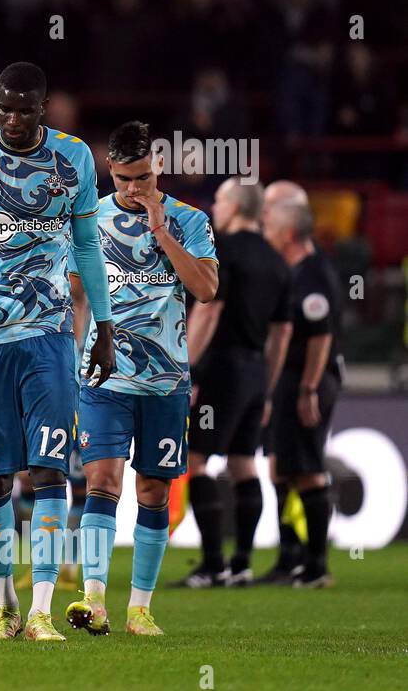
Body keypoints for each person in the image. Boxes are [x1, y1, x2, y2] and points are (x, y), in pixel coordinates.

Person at [0, 62, 115, 642]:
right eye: (3, 109)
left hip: (50, 336)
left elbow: (88, 243)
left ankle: (40, 609)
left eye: (24, 110)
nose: (12, 120)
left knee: (48, 469)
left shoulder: (74, 158)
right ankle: (4, 602)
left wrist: (104, 325)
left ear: (44, 108)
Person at [63, 121, 219, 637]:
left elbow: (205, 289)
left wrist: (159, 230)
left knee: (153, 490)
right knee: (100, 481)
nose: (134, 189)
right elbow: (75, 296)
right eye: (126, 179)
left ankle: (140, 609)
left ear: (159, 170)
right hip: (105, 380)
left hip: (166, 382)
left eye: (144, 179)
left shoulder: (189, 220)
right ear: (110, 170)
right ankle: (94, 601)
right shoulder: (89, 221)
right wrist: (74, 361)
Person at [181, 178, 292, 587]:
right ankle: (242, 562)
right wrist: (266, 386)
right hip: (256, 371)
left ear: (237, 207)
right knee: (244, 462)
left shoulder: (222, 250)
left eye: (221, 200)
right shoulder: (277, 260)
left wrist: (186, 367)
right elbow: (282, 334)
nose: (214, 206)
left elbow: (209, 313)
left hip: (221, 369)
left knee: (196, 461)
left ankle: (212, 565)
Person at [262, 199, 342, 587]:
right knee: (283, 466)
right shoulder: (292, 271)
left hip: (307, 382)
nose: (266, 233)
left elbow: (320, 336)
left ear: (289, 233)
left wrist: (309, 388)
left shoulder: (313, 275)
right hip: (288, 382)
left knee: (307, 469)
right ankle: (290, 558)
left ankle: (317, 566)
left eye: (271, 226)